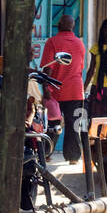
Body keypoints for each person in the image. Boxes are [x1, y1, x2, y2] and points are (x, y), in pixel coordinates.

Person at [41, 14, 87, 162]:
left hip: (56, 89)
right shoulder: (80, 44)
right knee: (73, 124)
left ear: (59, 25)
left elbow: (48, 67)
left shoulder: (52, 42)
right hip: (74, 89)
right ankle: (73, 157)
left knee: (52, 123)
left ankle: (47, 154)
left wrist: (45, 88)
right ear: (73, 27)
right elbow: (80, 67)